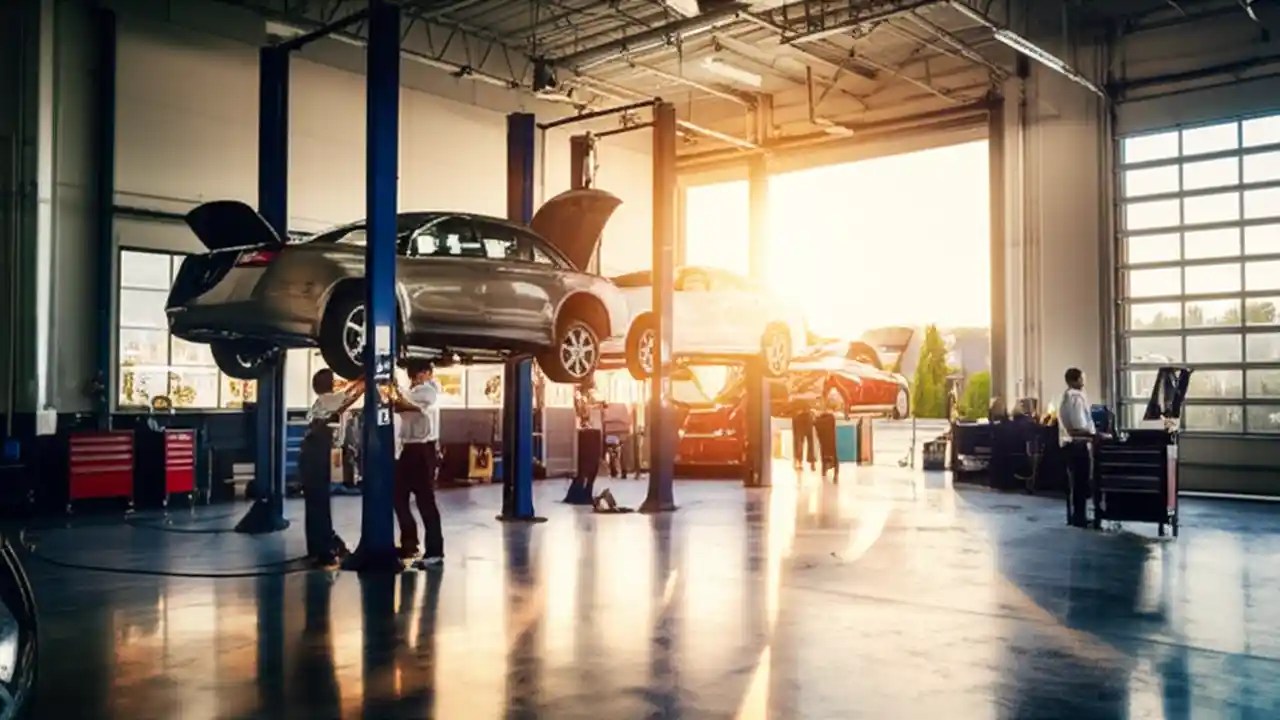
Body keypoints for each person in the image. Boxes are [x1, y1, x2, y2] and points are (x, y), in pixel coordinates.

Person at [302, 370, 365, 567]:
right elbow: (352, 395)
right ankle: (325, 551)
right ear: (330, 384)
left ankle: (319, 546)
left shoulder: (322, 400)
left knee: (314, 503)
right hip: (316, 455)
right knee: (320, 502)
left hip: (310, 455)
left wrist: (355, 380)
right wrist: (365, 378)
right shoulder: (330, 399)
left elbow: (347, 391)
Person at [393, 359, 443, 566]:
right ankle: (409, 543)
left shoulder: (429, 390)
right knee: (398, 496)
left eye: (419, 374)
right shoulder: (412, 390)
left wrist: (392, 391)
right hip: (409, 450)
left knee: (425, 501)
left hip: (423, 450)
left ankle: (435, 552)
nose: (417, 379)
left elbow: (403, 404)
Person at [1059, 367, 1108, 527]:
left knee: (1078, 483)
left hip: (1075, 444)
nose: (1084, 381)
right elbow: (1078, 426)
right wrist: (1095, 435)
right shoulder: (1075, 398)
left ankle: (1078, 514)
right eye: (1082, 378)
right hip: (1079, 445)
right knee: (1081, 482)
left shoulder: (1068, 397)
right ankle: (1079, 517)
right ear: (1074, 380)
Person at [791, 398, 817, 471]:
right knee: (810, 442)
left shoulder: (797, 393)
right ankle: (811, 462)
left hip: (799, 418)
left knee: (799, 441)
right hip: (806, 417)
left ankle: (799, 462)